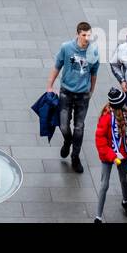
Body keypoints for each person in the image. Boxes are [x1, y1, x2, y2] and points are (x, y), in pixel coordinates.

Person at [47, 21, 100, 173]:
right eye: (84, 35)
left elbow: (94, 74)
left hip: (83, 95)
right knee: (64, 125)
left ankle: (75, 157)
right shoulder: (66, 48)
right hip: (66, 92)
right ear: (77, 34)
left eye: (89, 35)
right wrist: (50, 86)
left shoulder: (93, 52)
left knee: (79, 127)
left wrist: (91, 91)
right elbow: (57, 66)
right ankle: (67, 141)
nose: (87, 38)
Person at [93, 88, 127, 223]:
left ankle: (125, 201)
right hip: (108, 156)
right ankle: (98, 216)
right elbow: (100, 142)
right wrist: (113, 156)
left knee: (124, 180)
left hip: (122, 155)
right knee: (104, 185)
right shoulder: (105, 118)